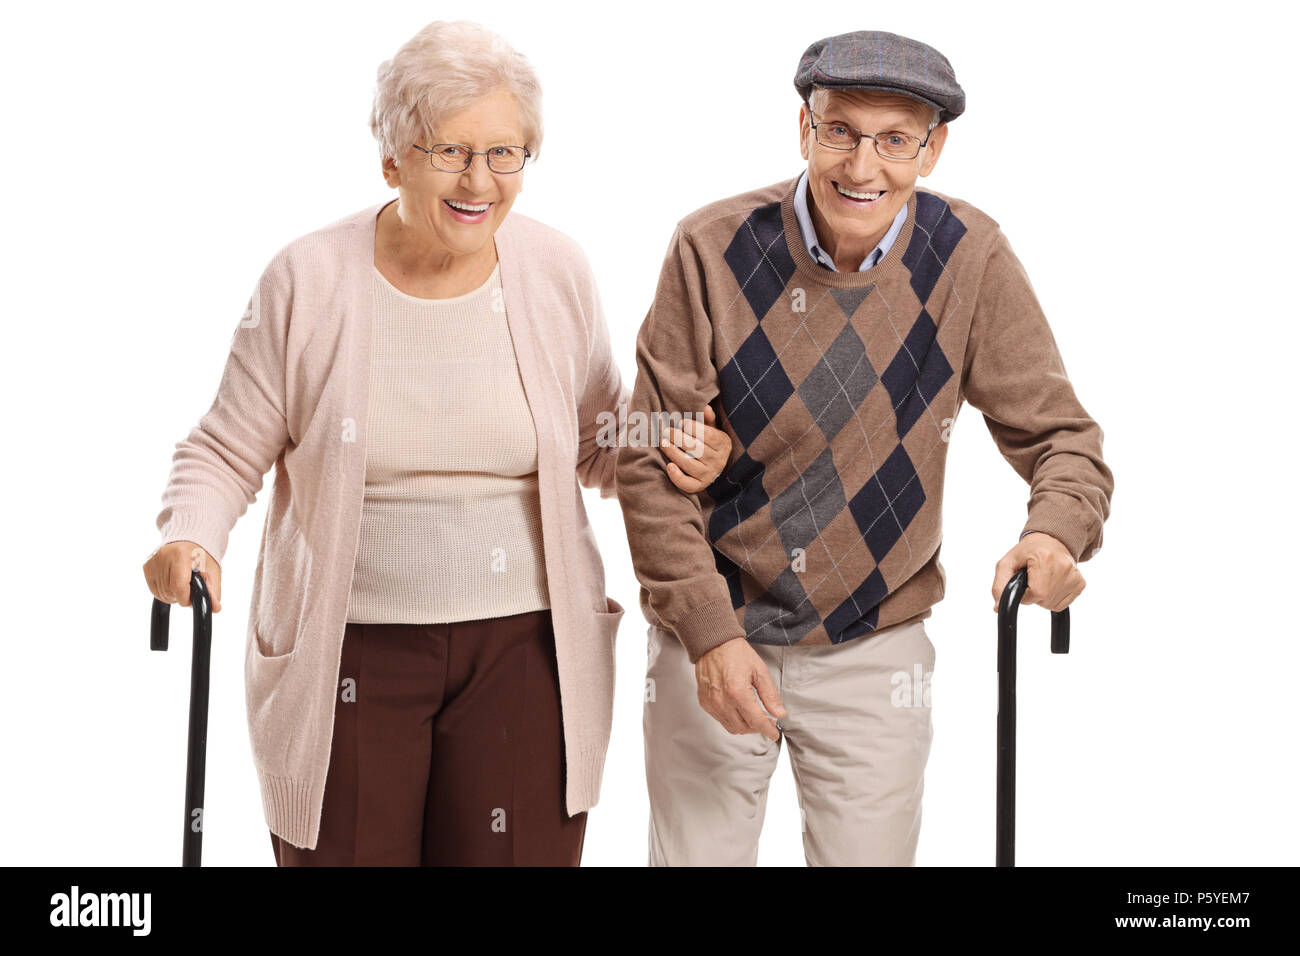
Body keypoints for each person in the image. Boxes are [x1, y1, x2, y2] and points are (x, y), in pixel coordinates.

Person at [142, 19, 730, 866]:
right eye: (450, 151)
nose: (479, 181)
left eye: (505, 154)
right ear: (392, 159)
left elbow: (596, 436)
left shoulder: (554, 268)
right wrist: (187, 537)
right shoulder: (310, 279)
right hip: (349, 649)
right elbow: (227, 448)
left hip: (526, 648)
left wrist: (670, 439)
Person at [616, 29, 1115, 866]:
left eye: (894, 140)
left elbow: (1063, 437)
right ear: (803, 129)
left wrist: (1055, 532)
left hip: (876, 652)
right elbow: (645, 458)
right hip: (713, 632)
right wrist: (708, 634)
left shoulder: (971, 258)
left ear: (934, 147)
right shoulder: (710, 246)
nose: (861, 166)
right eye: (840, 130)